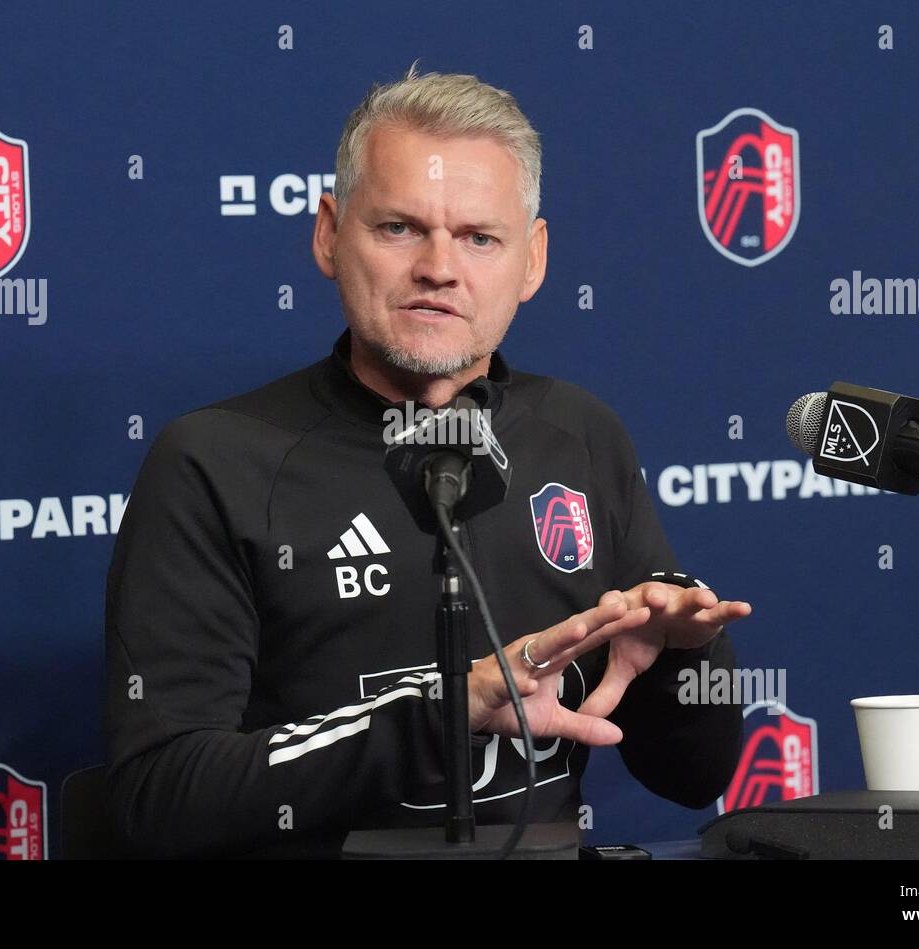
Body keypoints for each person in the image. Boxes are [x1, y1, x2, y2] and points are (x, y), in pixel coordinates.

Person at [104, 62, 752, 859]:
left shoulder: (578, 434)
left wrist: (685, 659)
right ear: (328, 235)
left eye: (480, 237)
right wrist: (444, 712)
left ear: (534, 260)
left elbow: (694, 776)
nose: (440, 268)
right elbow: (159, 795)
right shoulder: (214, 461)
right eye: (400, 227)